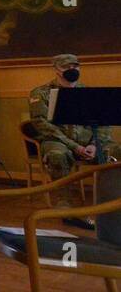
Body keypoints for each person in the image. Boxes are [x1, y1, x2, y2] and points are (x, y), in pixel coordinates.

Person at [29, 54, 118, 210]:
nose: (72, 70)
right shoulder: (40, 93)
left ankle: (113, 200)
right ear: (56, 70)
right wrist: (75, 146)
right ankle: (64, 201)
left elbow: (103, 122)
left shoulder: (89, 93)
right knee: (57, 155)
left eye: (75, 66)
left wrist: (94, 145)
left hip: (88, 141)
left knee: (117, 152)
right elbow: (42, 124)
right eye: (66, 67)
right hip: (58, 140)